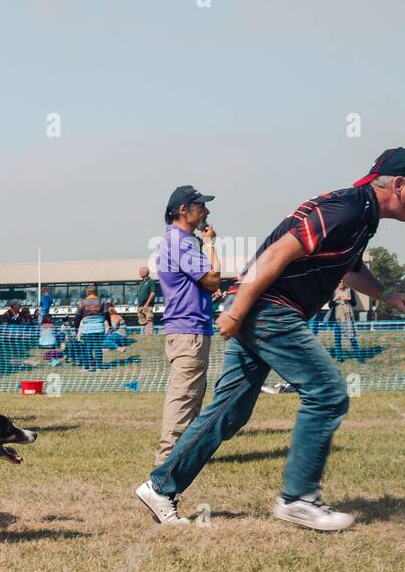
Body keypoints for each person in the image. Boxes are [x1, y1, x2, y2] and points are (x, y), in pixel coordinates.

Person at [136, 150, 405, 530]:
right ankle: (298, 498)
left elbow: (350, 266)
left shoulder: (361, 216)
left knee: (231, 410)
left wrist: (389, 296)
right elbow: (277, 254)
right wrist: (236, 310)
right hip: (269, 309)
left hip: (259, 309)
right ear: (398, 184)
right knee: (327, 392)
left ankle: (160, 486)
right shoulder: (347, 209)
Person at [151, 185, 221, 465]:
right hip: (188, 330)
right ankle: (167, 461)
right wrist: (212, 244)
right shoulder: (180, 242)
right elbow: (213, 278)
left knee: (190, 397)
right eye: (200, 205)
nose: (206, 210)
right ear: (183, 210)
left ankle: (181, 455)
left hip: (186, 329)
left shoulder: (175, 241)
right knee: (184, 397)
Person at [73, 285, 106, 370]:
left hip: (87, 328)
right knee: (98, 347)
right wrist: (109, 323)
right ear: (95, 292)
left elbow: (77, 316)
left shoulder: (82, 302)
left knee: (87, 347)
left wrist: (76, 329)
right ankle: (99, 366)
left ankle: (87, 366)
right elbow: (106, 313)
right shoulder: (102, 301)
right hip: (99, 327)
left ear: (87, 293)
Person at [330, 279, 362, 362]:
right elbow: (330, 305)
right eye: (340, 281)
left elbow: (354, 304)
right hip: (337, 318)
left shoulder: (349, 290)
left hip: (348, 317)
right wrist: (335, 299)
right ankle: (339, 358)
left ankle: (359, 357)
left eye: (343, 282)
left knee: (352, 337)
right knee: (337, 339)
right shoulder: (333, 291)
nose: (341, 283)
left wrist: (349, 299)